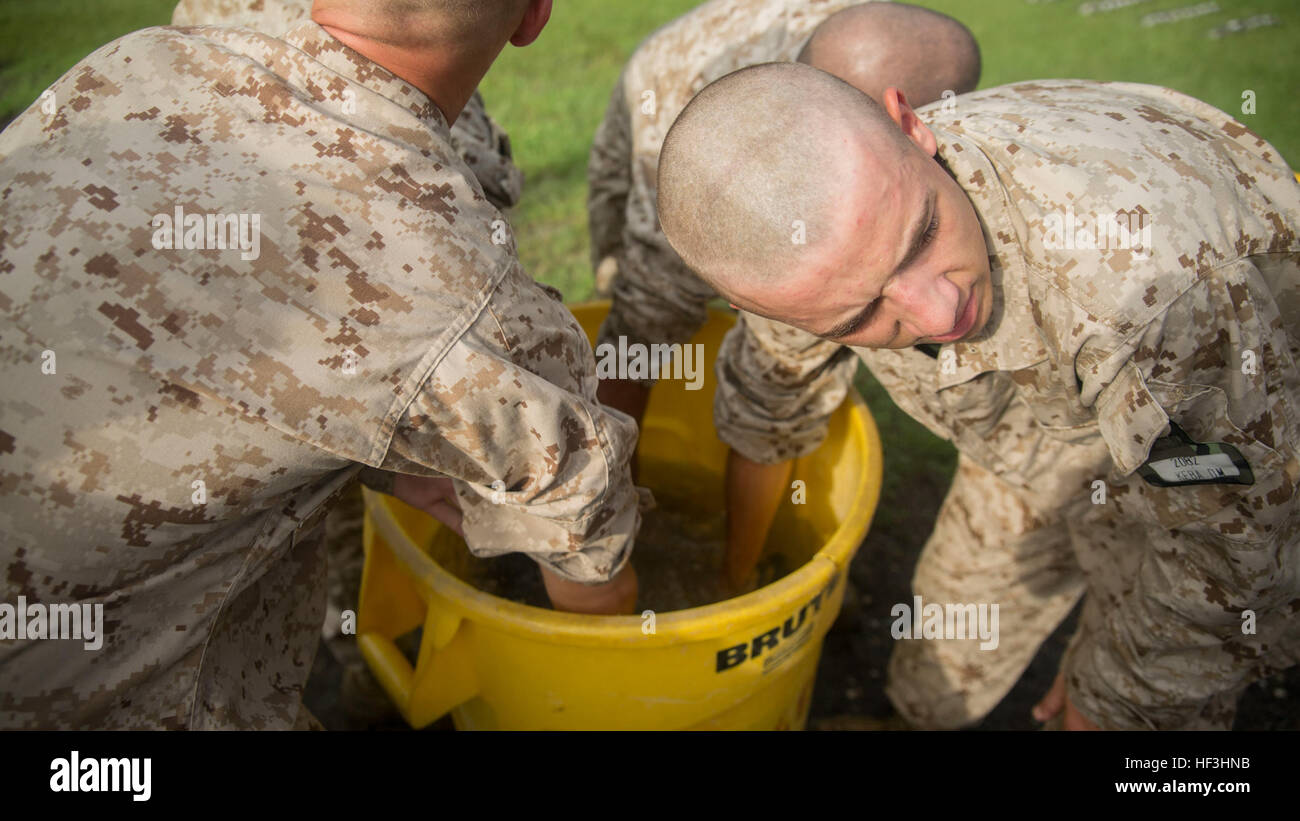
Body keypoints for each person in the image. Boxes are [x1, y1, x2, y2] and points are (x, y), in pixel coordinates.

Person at [0, 0, 648, 730]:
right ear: (534, 16)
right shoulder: (461, 299)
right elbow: (589, 549)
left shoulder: (133, 61)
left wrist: (387, 456)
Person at [657, 62, 1300, 730]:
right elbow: (769, 415)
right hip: (1039, 437)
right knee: (945, 641)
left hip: (1235, 428)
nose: (939, 314)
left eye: (923, 236)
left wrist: (1114, 693)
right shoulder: (797, 255)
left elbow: (1239, 545)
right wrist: (731, 587)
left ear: (912, 127)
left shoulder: (1154, 286)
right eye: (857, 317)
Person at [587, 0, 979, 588]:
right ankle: (617, 512)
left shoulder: (898, 48)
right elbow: (767, 403)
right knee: (645, 313)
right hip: (675, 91)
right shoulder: (701, 105)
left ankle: (734, 569)